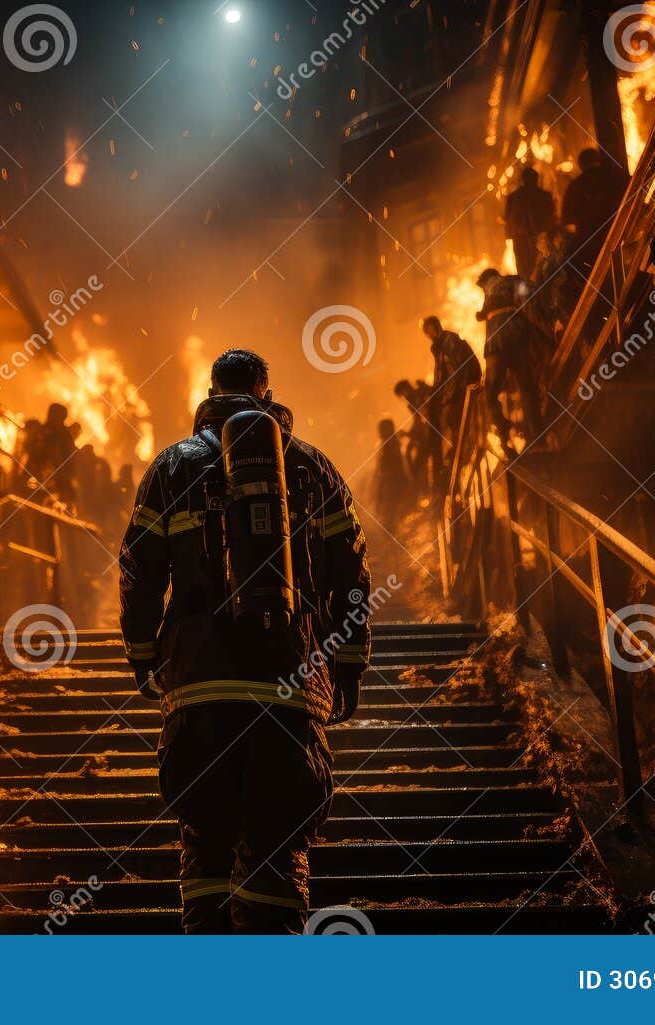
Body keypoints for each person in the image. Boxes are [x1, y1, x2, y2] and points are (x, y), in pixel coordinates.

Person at [118, 348, 372, 934]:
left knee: (206, 845)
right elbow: (352, 576)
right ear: (267, 393)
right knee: (278, 850)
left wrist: (145, 658)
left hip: (200, 691)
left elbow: (138, 569)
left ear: (211, 392)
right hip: (291, 689)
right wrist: (349, 667)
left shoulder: (172, 466)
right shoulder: (312, 466)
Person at [476, 268, 554, 448]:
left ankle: (504, 431)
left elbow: (481, 315)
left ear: (488, 279)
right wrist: (546, 332)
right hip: (517, 337)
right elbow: (530, 302)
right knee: (527, 389)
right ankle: (537, 438)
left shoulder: (489, 295)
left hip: (495, 346)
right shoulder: (514, 281)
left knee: (490, 396)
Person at [421, 315, 481, 458]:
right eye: (426, 331)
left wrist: (452, 390)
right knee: (450, 417)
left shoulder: (448, 340)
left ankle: (464, 447)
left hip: (465, 384)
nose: (427, 334)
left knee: (453, 416)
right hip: (459, 384)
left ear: (434, 327)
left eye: (428, 330)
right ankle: (459, 447)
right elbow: (441, 373)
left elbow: (458, 367)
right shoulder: (439, 345)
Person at [561, 147, 630, 263]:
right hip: (621, 230)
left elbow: (568, 218)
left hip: (590, 239)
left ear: (581, 164)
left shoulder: (576, 186)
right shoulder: (616, 177)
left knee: (569, 260)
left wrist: (580, 226)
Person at [503, 167, 557, 280]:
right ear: (536, 179)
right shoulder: (544, 196)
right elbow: (552, 219)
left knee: (525, 272)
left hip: (523, 241)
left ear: (522, 180)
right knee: (543, 272)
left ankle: (530, 293)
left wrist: (510, 236)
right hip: (540, 240)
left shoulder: (513, 198)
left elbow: (508, 221)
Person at [393, 378, 441, 495]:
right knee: (413, 455)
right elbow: (418, 422)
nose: (403, 399)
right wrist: (409, 434)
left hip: (432, 433)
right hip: (427, 433)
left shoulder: (418, 397)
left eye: (401, 395)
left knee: (419, 462)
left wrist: (408, 434)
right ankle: (425, 490)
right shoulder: (415, 399)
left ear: (405, 390)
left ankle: (424, 491)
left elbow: (421, 422)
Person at [374, 418, 414, 525]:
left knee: (392, 513)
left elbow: (392, 466)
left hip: (393, 483)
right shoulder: (389, 443)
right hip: (392, 483)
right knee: (391, 513)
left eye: (383, 429)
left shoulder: (390, 444)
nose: (380, 432)